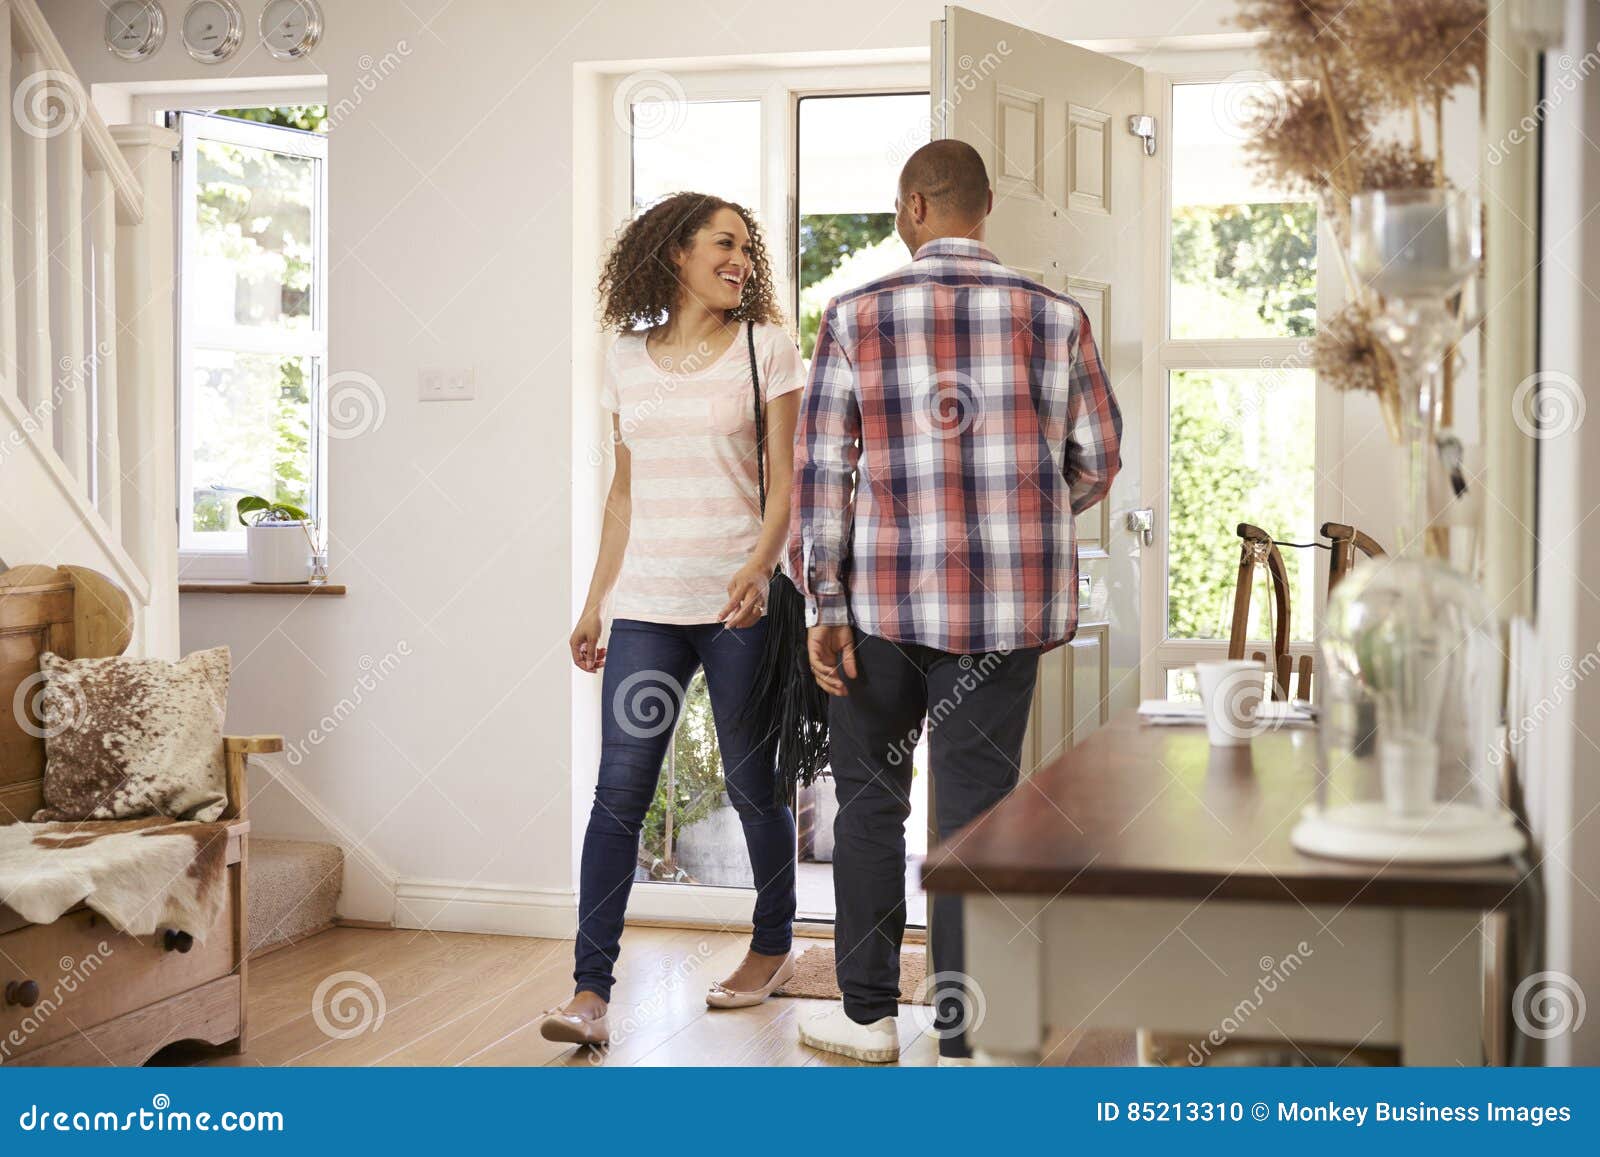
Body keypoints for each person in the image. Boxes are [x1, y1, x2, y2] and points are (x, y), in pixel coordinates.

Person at [787, 139, 1122, 1065]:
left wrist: (823, 600)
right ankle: (965, 1026)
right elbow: (1096, 458)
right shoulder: (1055, 316)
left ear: (914, 207)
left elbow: (822, 473)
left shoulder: (854, 314)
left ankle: (865, 1018)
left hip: (877, 610)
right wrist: (1020, 515)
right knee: (976, 812)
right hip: (1002, 615)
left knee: (868, 800)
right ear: (983, 210)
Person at [542, 192, 804, 1048]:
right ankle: (589, 992)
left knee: (752, 783)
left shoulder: (767, 347)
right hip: (648, 606)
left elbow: (786, 480)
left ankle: (770, 945)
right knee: (618, 793)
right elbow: (624, 493)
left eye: (747, 247)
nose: (741, 260)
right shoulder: (624, 357)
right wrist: (596, 600)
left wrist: (761, 567)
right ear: (675, 254)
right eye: (723, 244)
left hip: (739, 605)